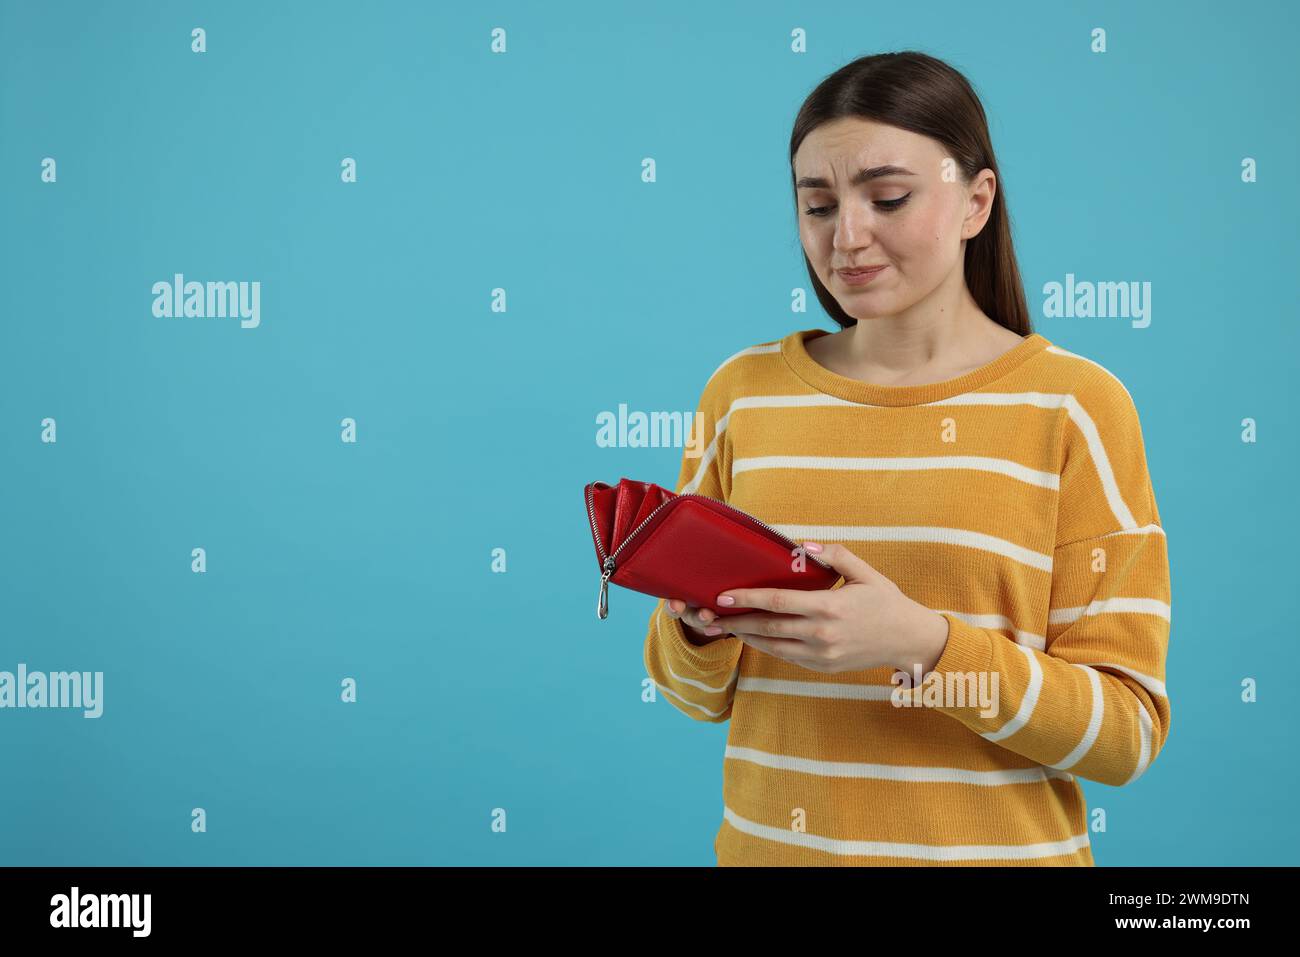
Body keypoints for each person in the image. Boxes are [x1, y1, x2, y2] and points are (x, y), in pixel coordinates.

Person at [643, 50, 1171, 866]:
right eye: (816, 205)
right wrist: (697, 627)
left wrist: (924, 645)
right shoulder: (741, 394)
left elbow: (1126, 735)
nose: (846, 237)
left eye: (888, 197)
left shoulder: (1076, 407)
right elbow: (690, 695)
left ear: (976, 201)